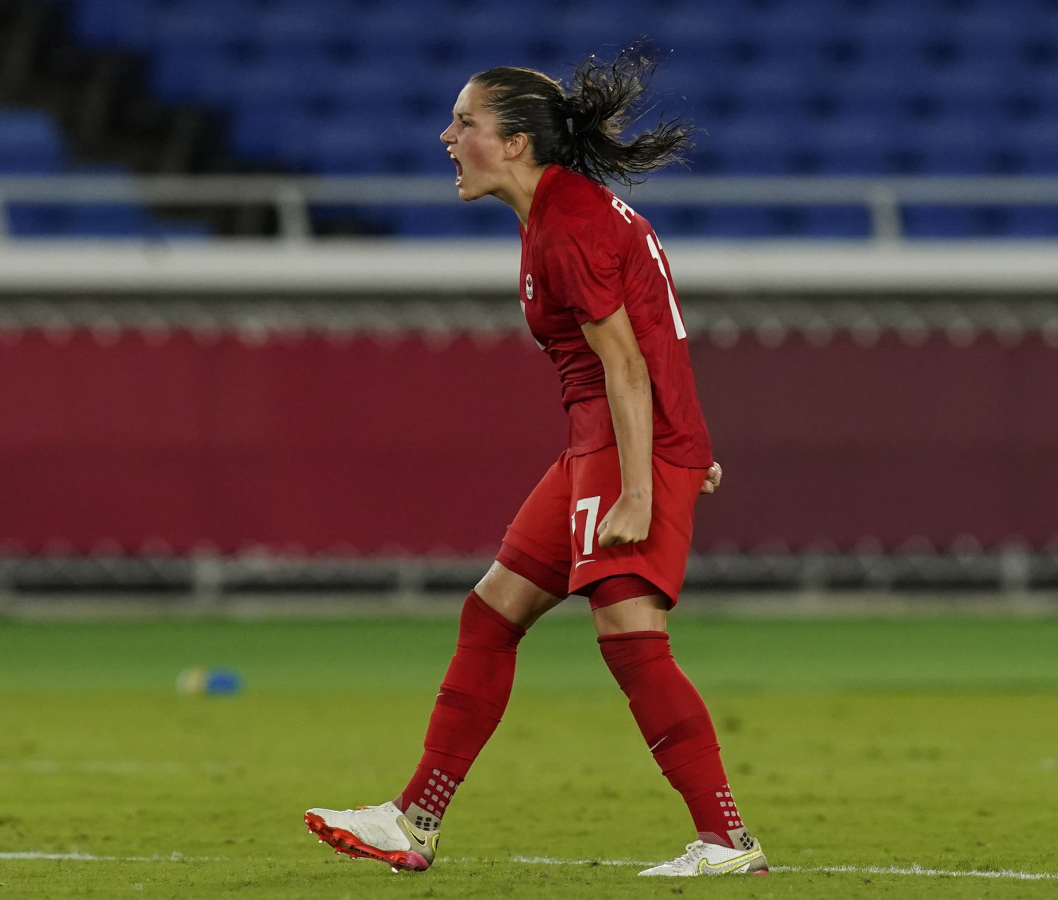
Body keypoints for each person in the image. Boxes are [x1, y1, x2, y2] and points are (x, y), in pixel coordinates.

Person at [305, 46, 768, 878]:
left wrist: (642, 485)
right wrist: (685, 447)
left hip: (620, 450)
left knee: (630, 637)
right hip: (612, 444)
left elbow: (624, 363)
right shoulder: (567, 212)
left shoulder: (567, 226)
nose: (447, 136)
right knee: (491, 614)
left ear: (515, 142)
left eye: (466, 122)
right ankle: (414, 820)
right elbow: (649, 337)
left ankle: (726, 839)